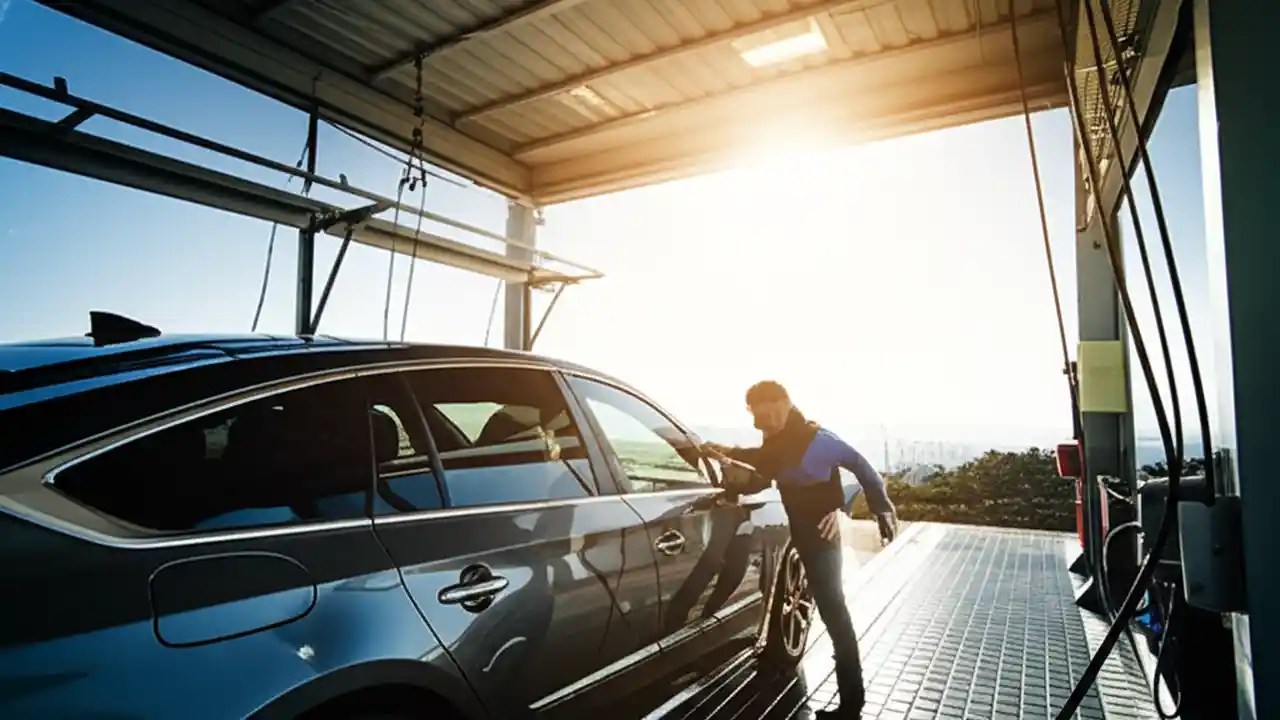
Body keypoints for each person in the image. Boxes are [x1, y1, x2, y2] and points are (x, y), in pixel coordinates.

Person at [703, 380, 897, 719]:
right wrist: (721, 457)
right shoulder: (775, 441)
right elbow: (765, 465)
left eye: (771, 416)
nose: (765, 424)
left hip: (821, 539)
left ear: (786, 403)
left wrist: (861, 510)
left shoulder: (817, 439)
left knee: (834, 616)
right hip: (800, 535)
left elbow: (863, 469)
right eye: (759, 419)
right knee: (826, 611)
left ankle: (851, 706)